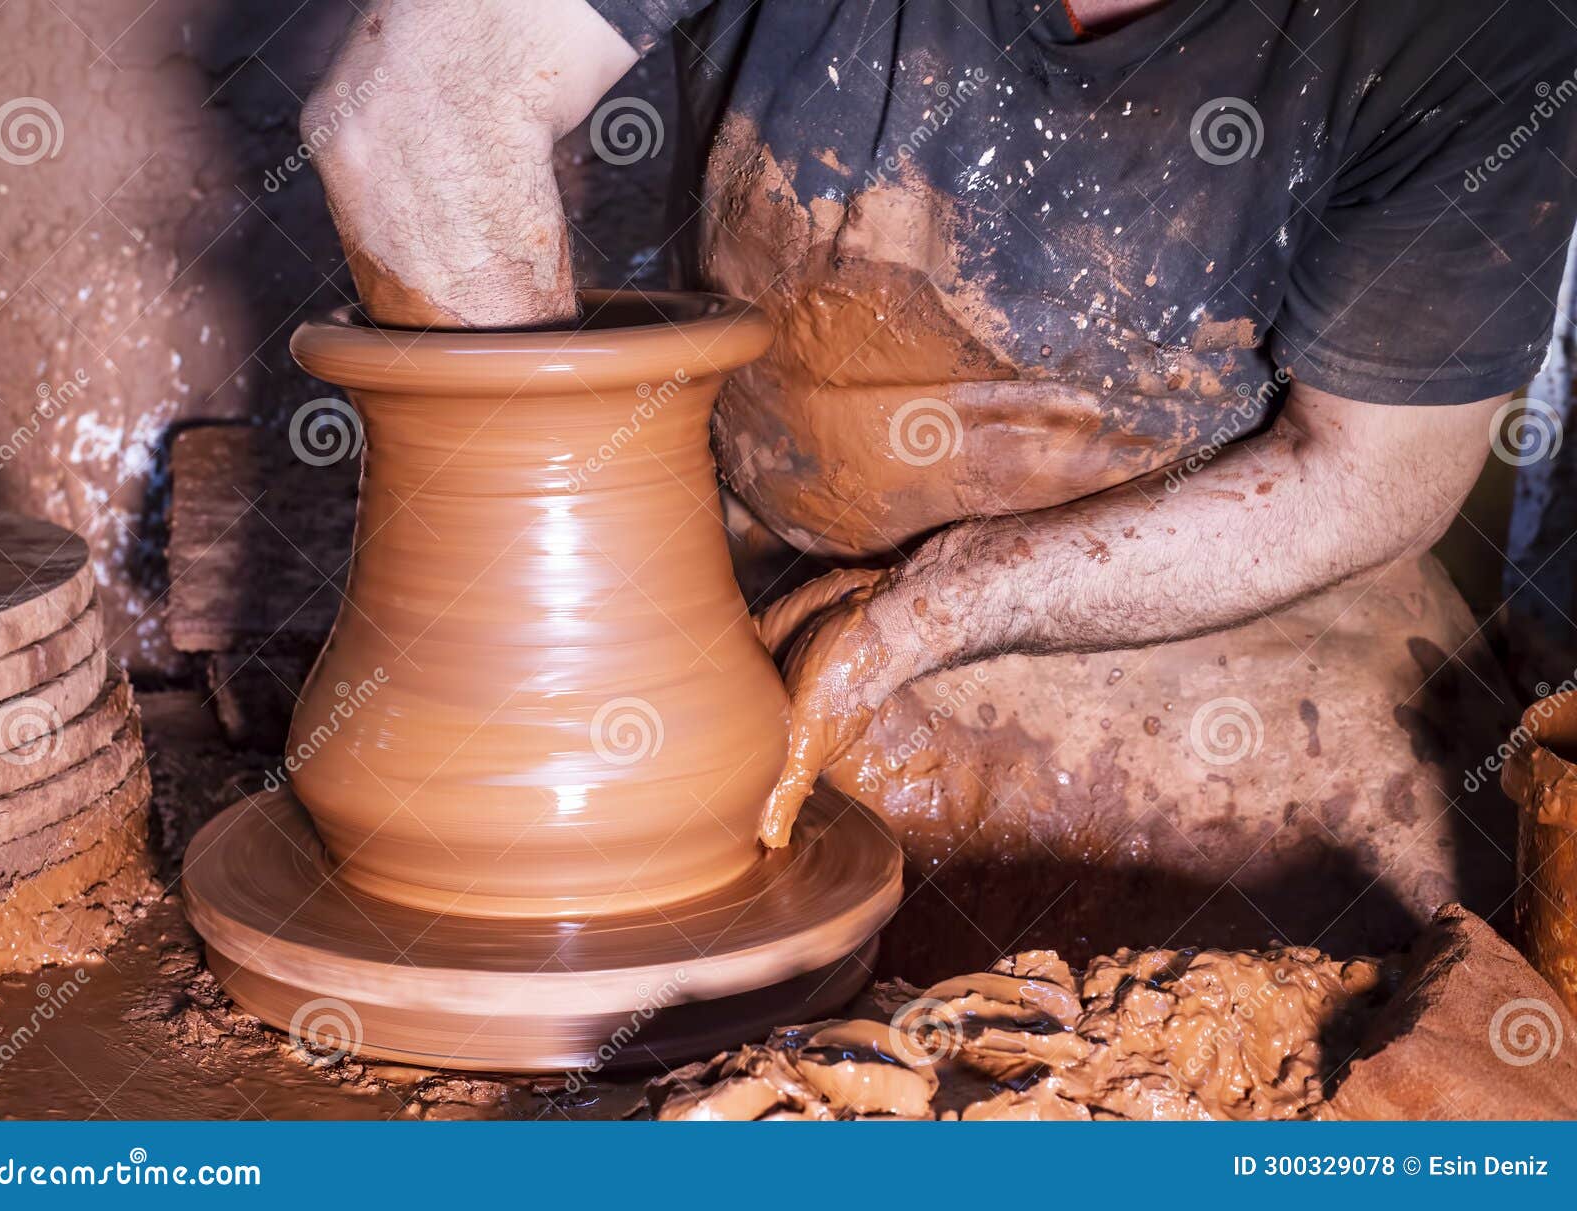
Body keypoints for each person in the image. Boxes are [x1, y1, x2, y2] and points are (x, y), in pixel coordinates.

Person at [306, 0, 1577, 976]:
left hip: (1227, 596)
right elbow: (411, 112)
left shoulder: (1473, 31)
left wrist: (935, 606)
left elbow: (1363, 478)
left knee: (1370, 938)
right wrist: (576, 601)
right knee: (659, 852)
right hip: (771, 546)